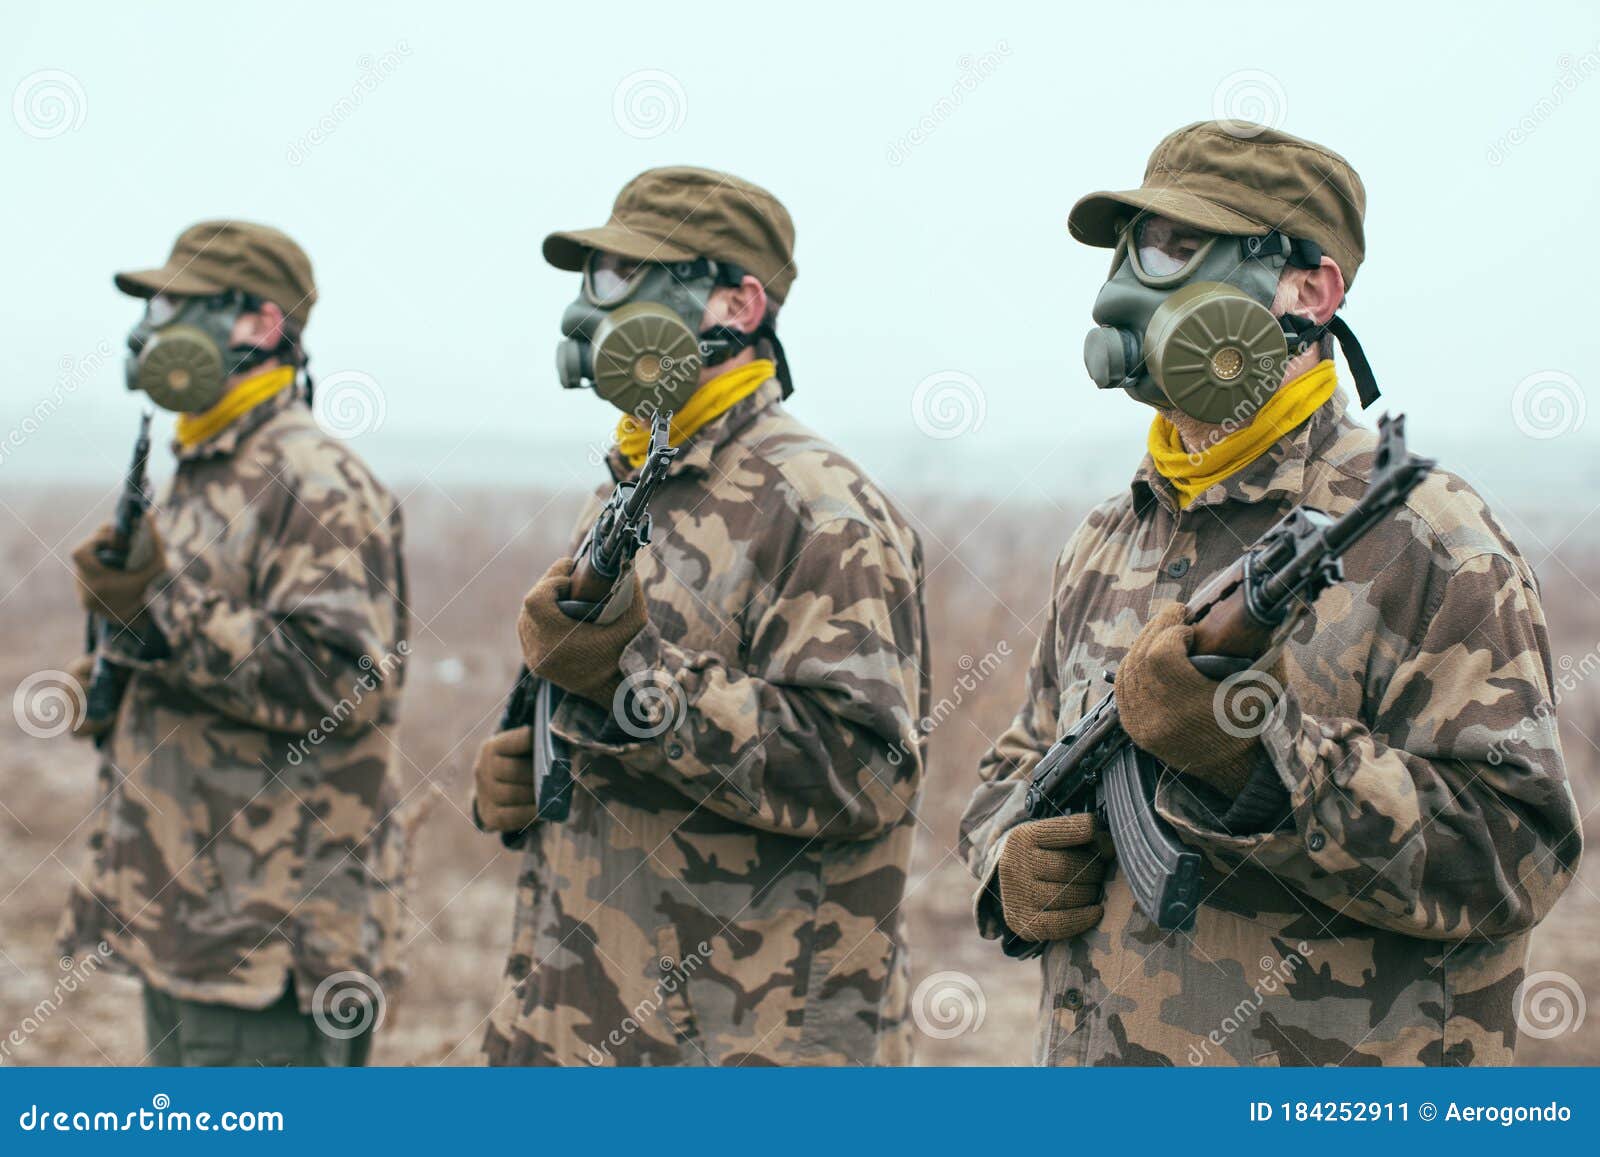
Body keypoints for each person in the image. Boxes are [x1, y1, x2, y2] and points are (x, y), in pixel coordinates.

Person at [959, 122, 1582, 1066]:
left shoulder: (1429, 536)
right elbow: (1019, 756)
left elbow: (1515, 858)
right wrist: (1004, 853)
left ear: (1313, 290)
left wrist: (1261, 760)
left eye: (1180, 248)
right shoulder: (1108, 535)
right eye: (1135, 247)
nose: (1134, 282)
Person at [472, 167, 930, 1065]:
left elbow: (866, 774)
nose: (589, 309)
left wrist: (630, 680)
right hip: (582, 1019)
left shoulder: (819, 506)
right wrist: (543, 752)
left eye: (623, 277)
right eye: (593, 277)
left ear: (740, 302)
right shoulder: (640, 482)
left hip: (746, 1048)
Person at [60, 220, 411, 1066]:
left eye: (175, 304)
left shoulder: (316, 480)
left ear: (257, 324)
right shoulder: (202, 466)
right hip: (189, 925)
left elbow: (345, 683)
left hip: (275, 941)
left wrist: (158, 613)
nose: (151, 327)